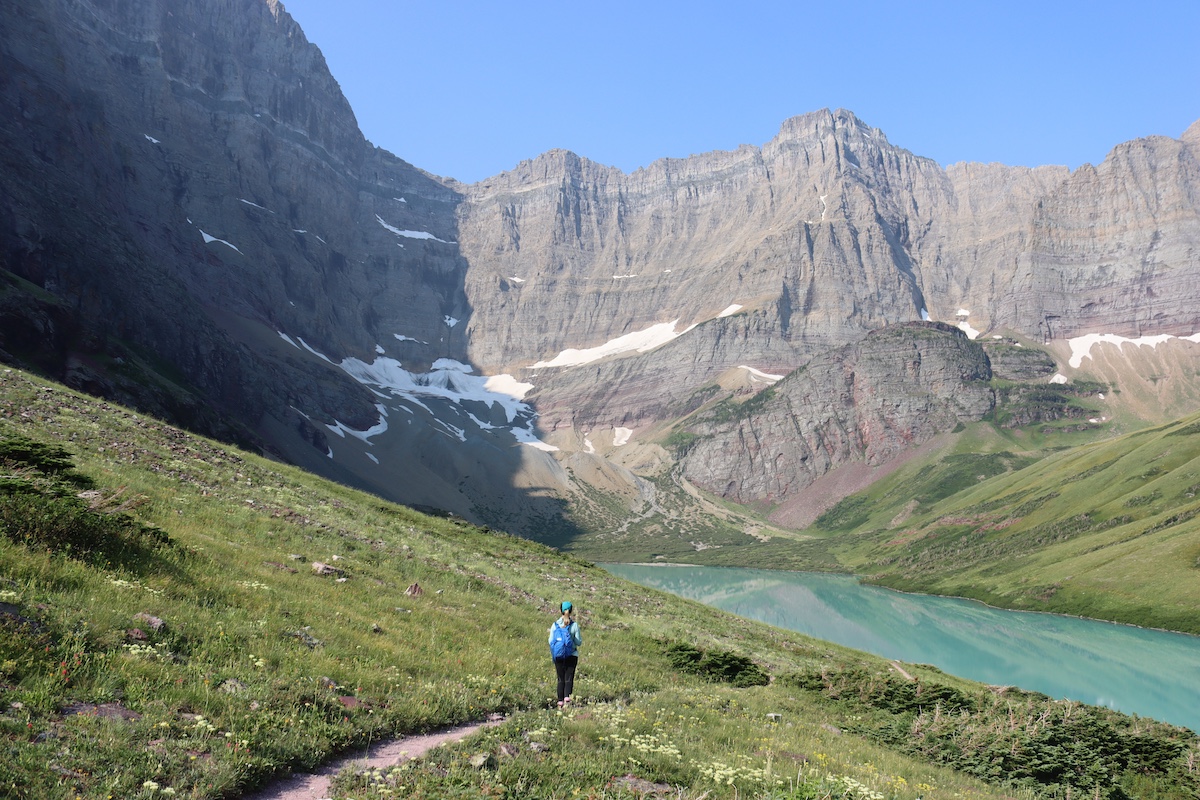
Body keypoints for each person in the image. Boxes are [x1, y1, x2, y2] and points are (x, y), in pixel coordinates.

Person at [548, 600, 582, 707]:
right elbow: (578, 642)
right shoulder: (574, 625)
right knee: (569, 678)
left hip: (558, 655)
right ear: (571, 611)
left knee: (560, 678)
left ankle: (560, 701)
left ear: (560, 611)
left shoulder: (555, 625)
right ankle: (567, 698)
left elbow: (550, 641)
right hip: (572, 655)